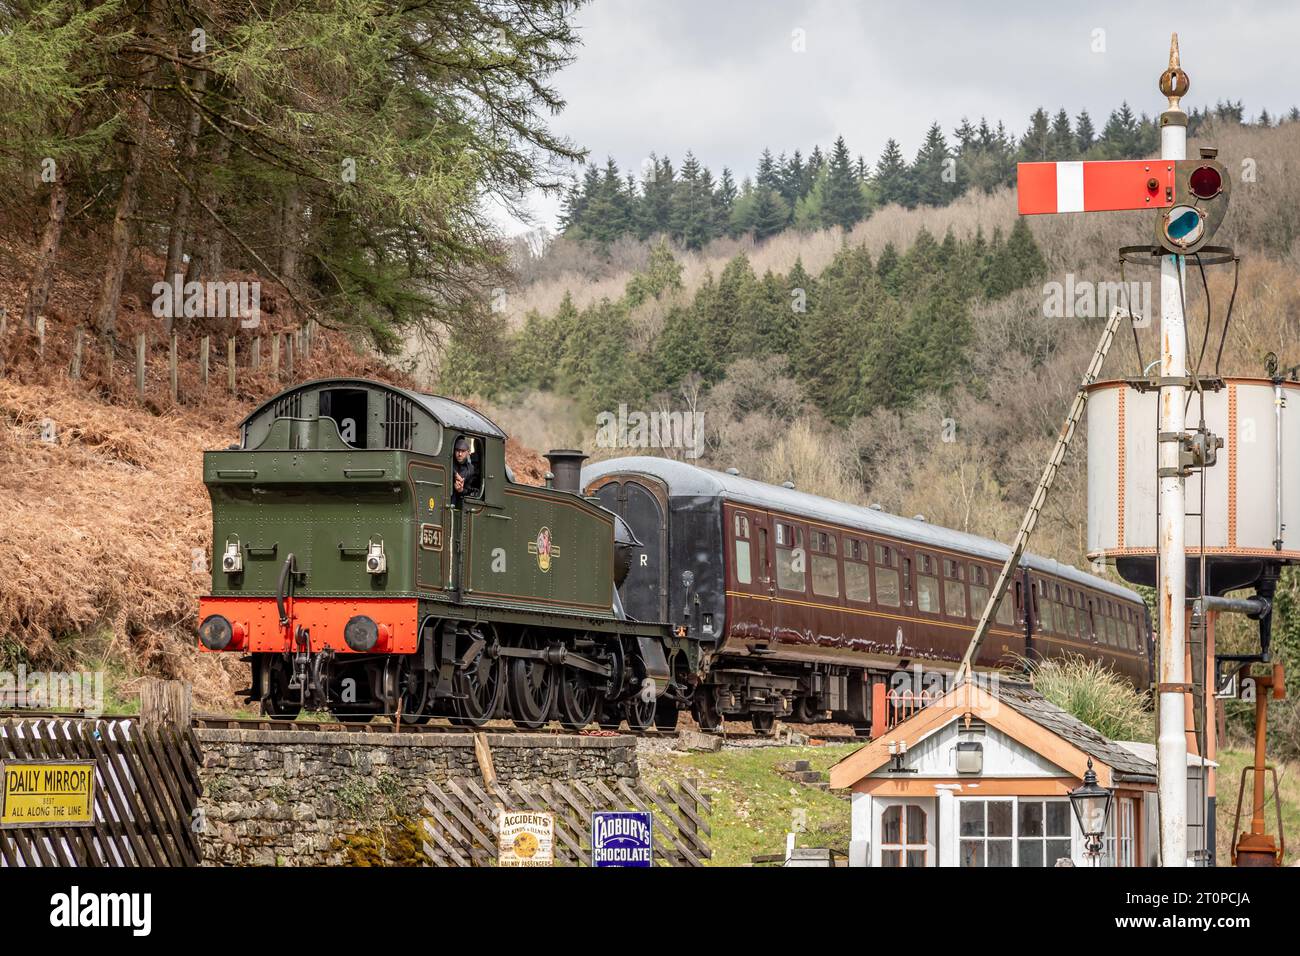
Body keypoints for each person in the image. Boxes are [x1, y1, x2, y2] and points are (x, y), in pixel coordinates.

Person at [451, 436, 478, 507]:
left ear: (468, 452)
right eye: (457, 451)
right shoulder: (450, 461)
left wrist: (461, 490)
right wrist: (455, 474)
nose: (459, 454)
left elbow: (468, 490)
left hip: (455, 501)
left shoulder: (471, 469)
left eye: (462, 451)